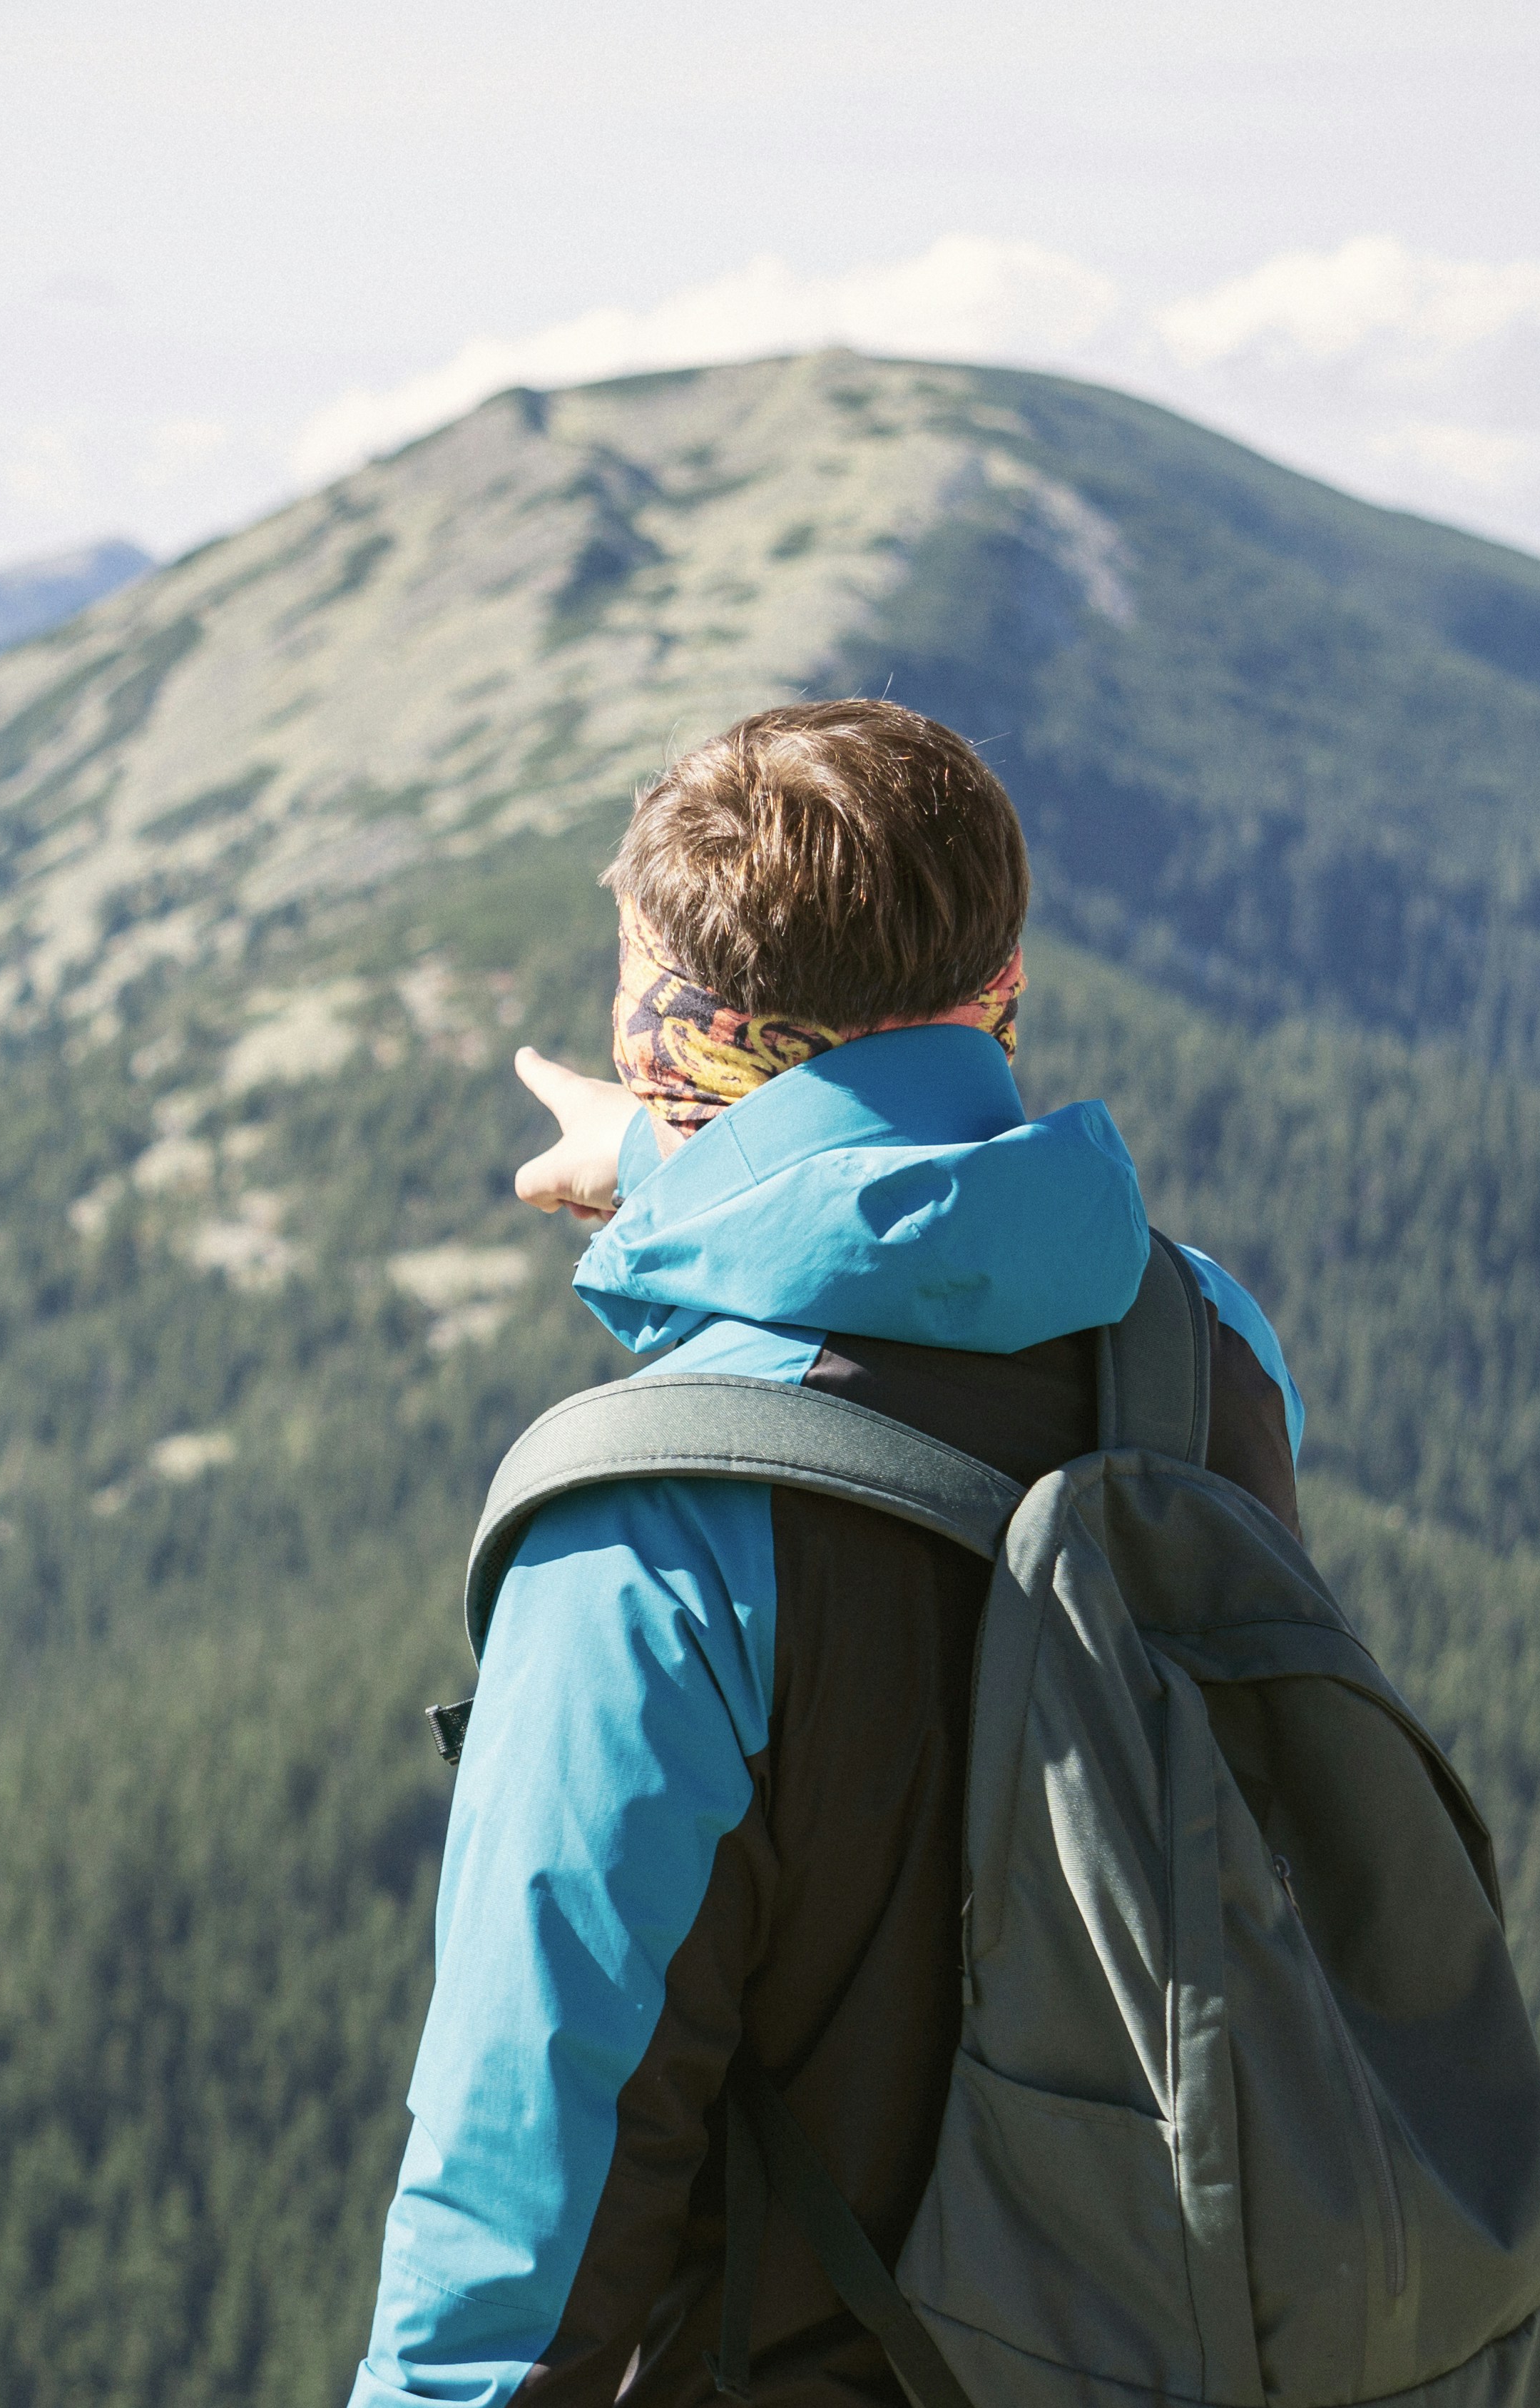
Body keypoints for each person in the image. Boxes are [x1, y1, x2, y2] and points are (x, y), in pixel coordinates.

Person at [347, 698, 1311, 2407]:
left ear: (679, 1044)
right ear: (996, 989)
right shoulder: (1207, 1353)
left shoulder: (647, 1533)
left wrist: (671, 1172)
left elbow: (520, 2237)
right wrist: (668, 1163)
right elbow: (931, 1242)